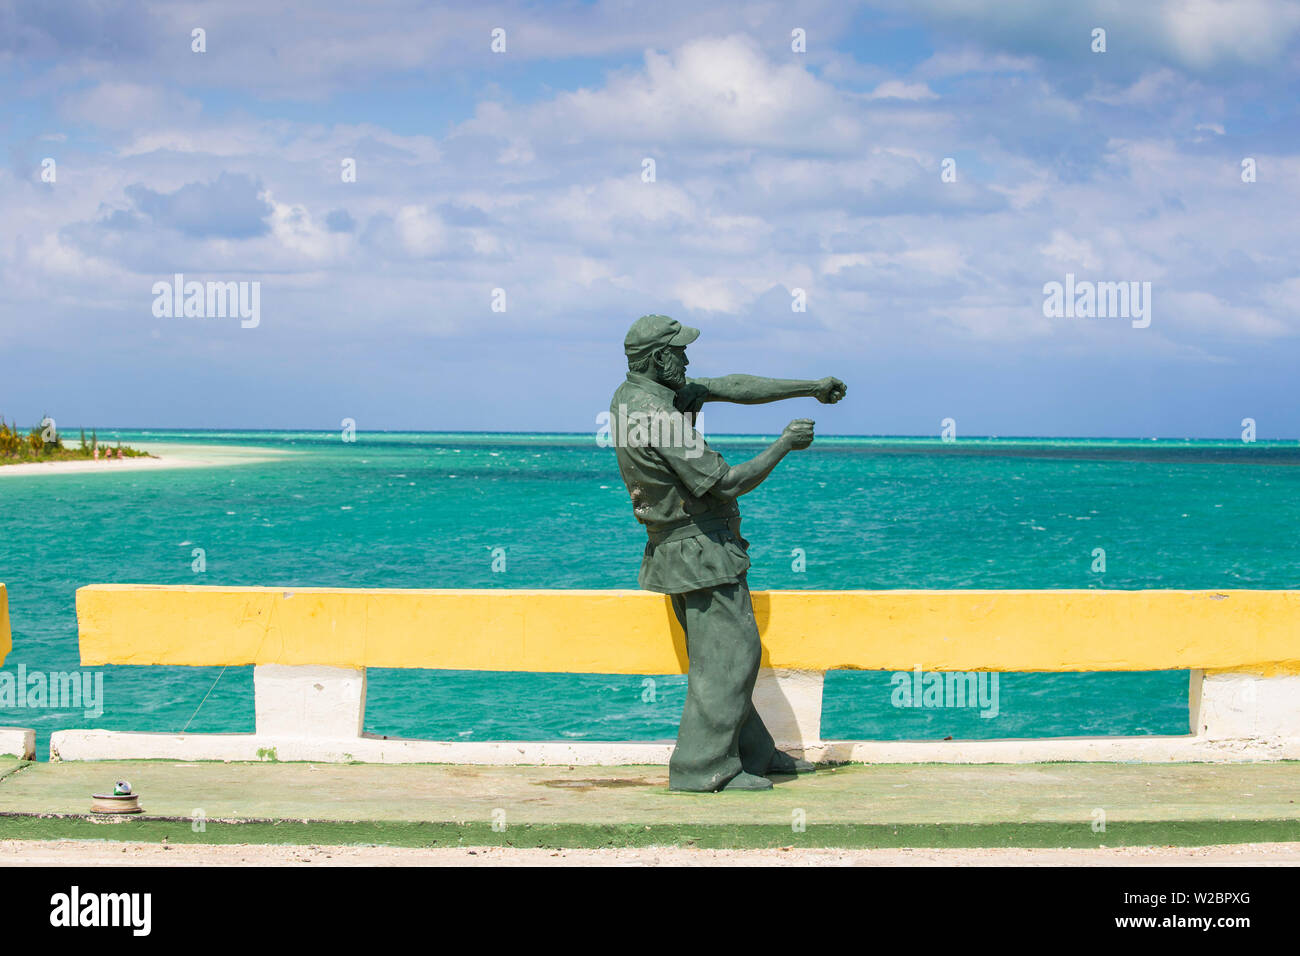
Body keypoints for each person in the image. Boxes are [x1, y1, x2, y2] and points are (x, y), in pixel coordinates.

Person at [609, 314, 846, 792]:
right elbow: (725, 482)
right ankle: (702, 768)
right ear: (659, 359)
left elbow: (731, 386)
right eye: (680, 352)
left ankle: (753, 753)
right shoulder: (657, 416)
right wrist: (784, 444)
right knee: (734, 655)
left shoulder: (640, 395)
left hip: (684, 548)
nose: (688, 360)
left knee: (721, 655)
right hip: (698, 549)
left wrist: (809, 387)